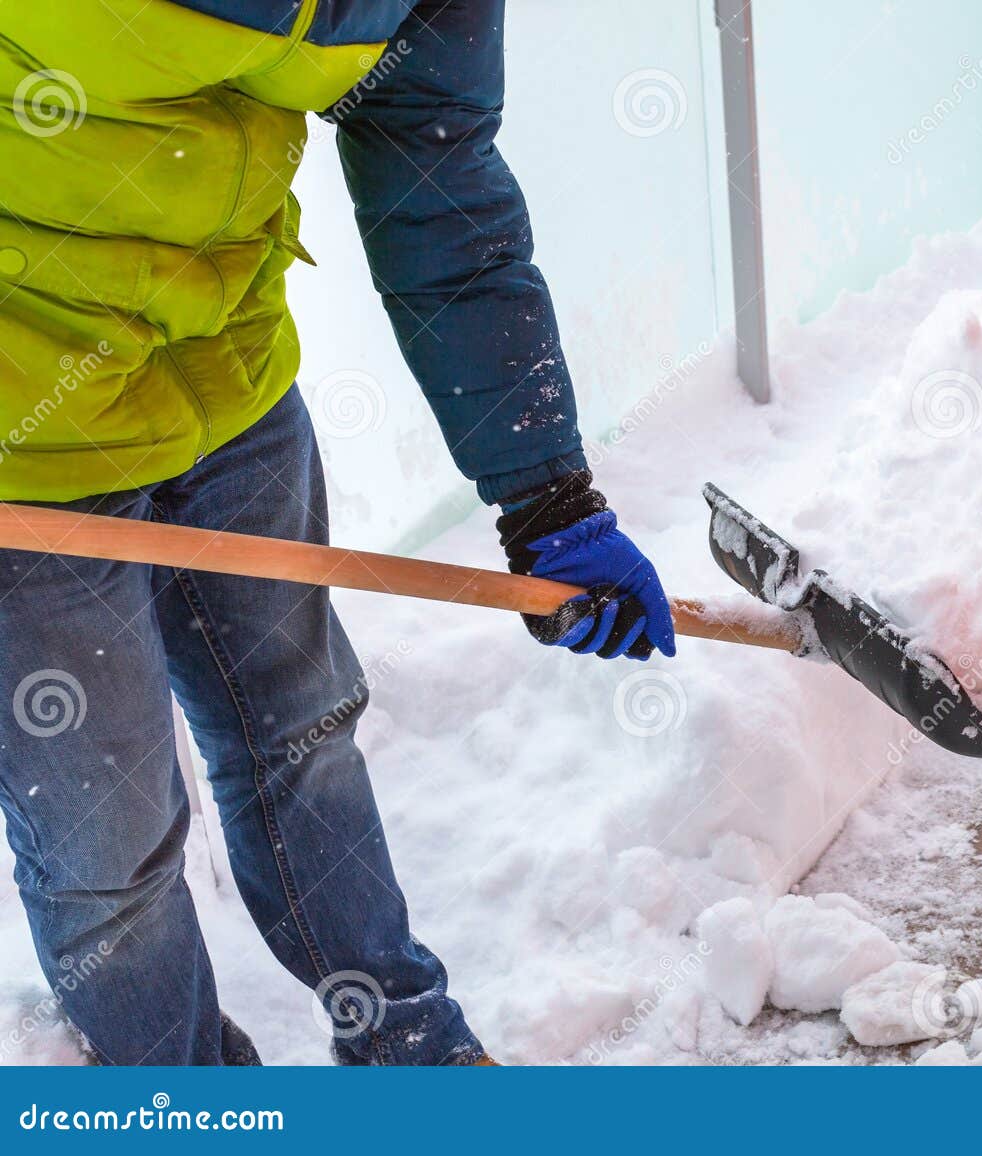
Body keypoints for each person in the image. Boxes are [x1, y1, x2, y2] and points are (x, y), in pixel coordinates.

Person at [0, 0, 674, 1065]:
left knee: (302, 740)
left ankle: (409, 1046)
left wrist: (548, 498)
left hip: (228, 380)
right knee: (108, 847)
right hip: (22, 448)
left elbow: (441, 197)